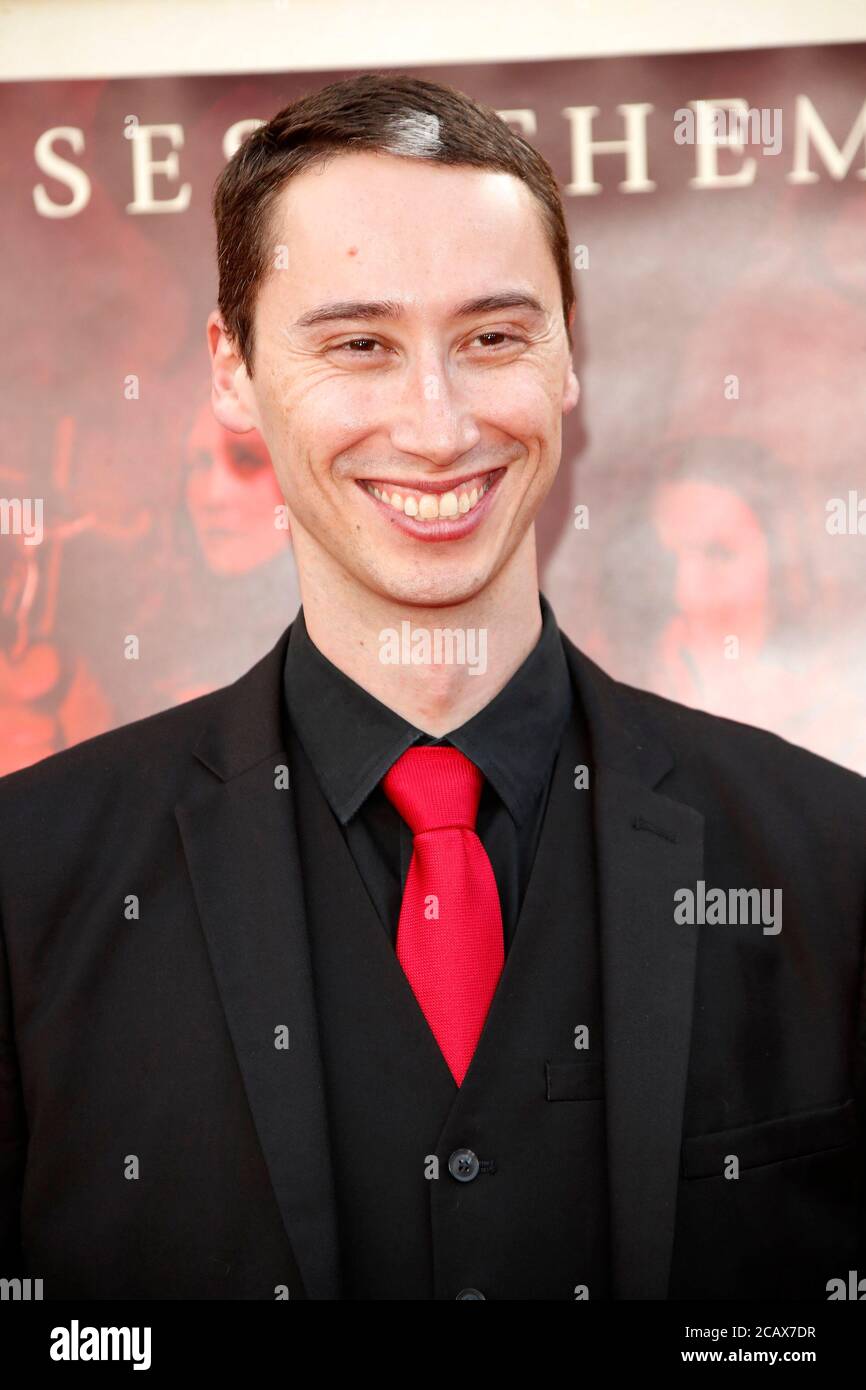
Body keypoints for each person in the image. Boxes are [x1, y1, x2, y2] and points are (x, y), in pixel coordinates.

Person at [0, 72, 863, 1302]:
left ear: (568, 349)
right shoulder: (28, 883)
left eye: (492, 337)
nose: (436, 424)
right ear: (232, 369)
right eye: (358, 343)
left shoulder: (829, 859)